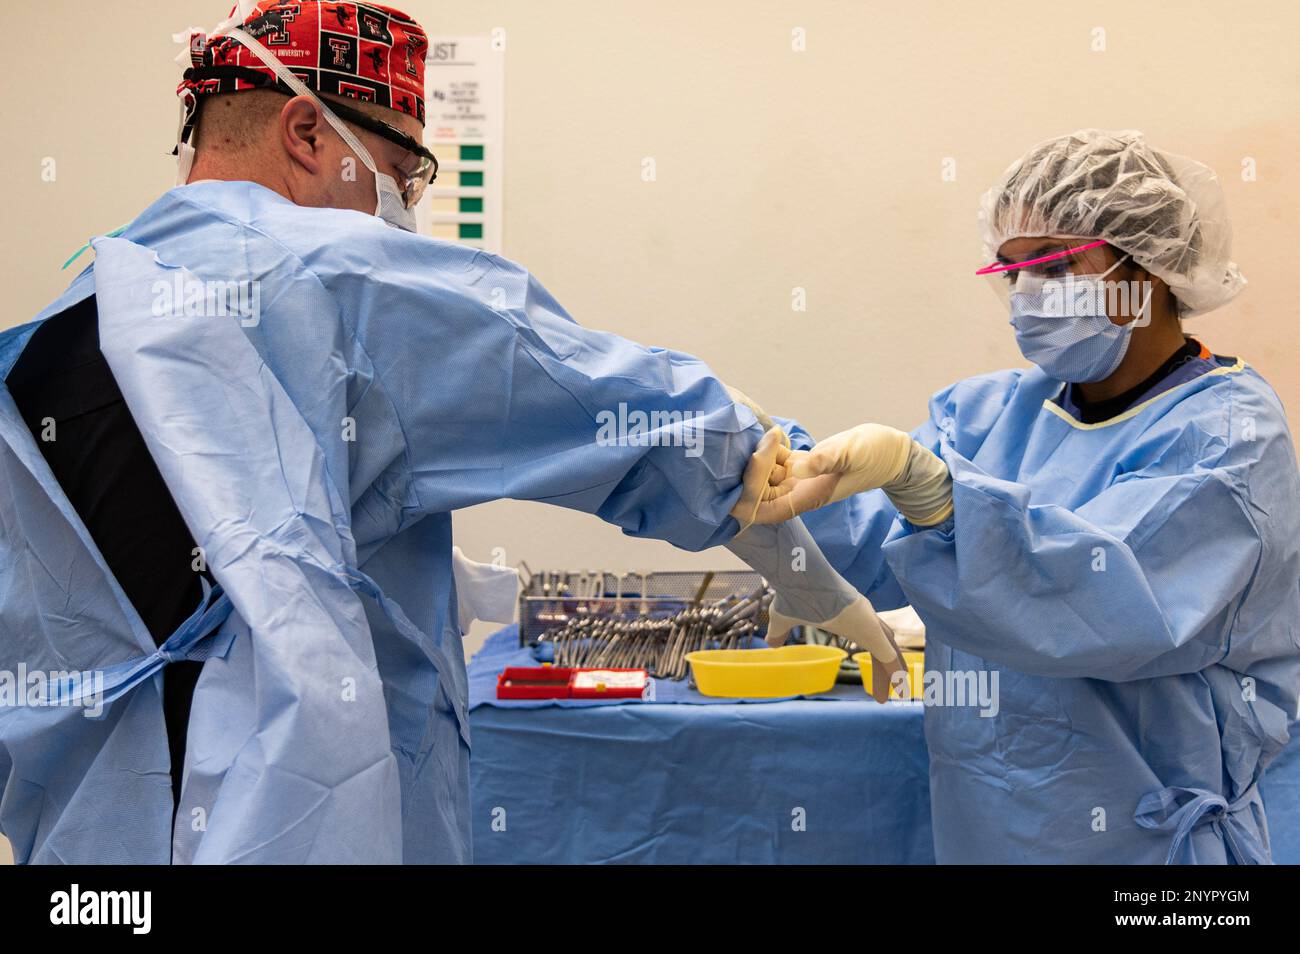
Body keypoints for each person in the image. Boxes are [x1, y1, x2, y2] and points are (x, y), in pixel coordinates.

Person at [0, 0, 856, 864]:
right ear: (307, 130)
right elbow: (633, 416)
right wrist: (859, 546)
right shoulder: (336, 273)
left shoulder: (63, 318)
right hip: (277, 828)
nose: (403, 207)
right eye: (402, 173)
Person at [758, 129, 1300, 863]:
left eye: (1055, 265)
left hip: (1150, 847)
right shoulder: (987, 417)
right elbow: (874, 533)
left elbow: (1105, 598)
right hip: (990, 831)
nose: (1029, 295)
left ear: (1147, 267)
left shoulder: (1230, 438)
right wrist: (762, 465)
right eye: (1012, 272)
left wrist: (943, 502)